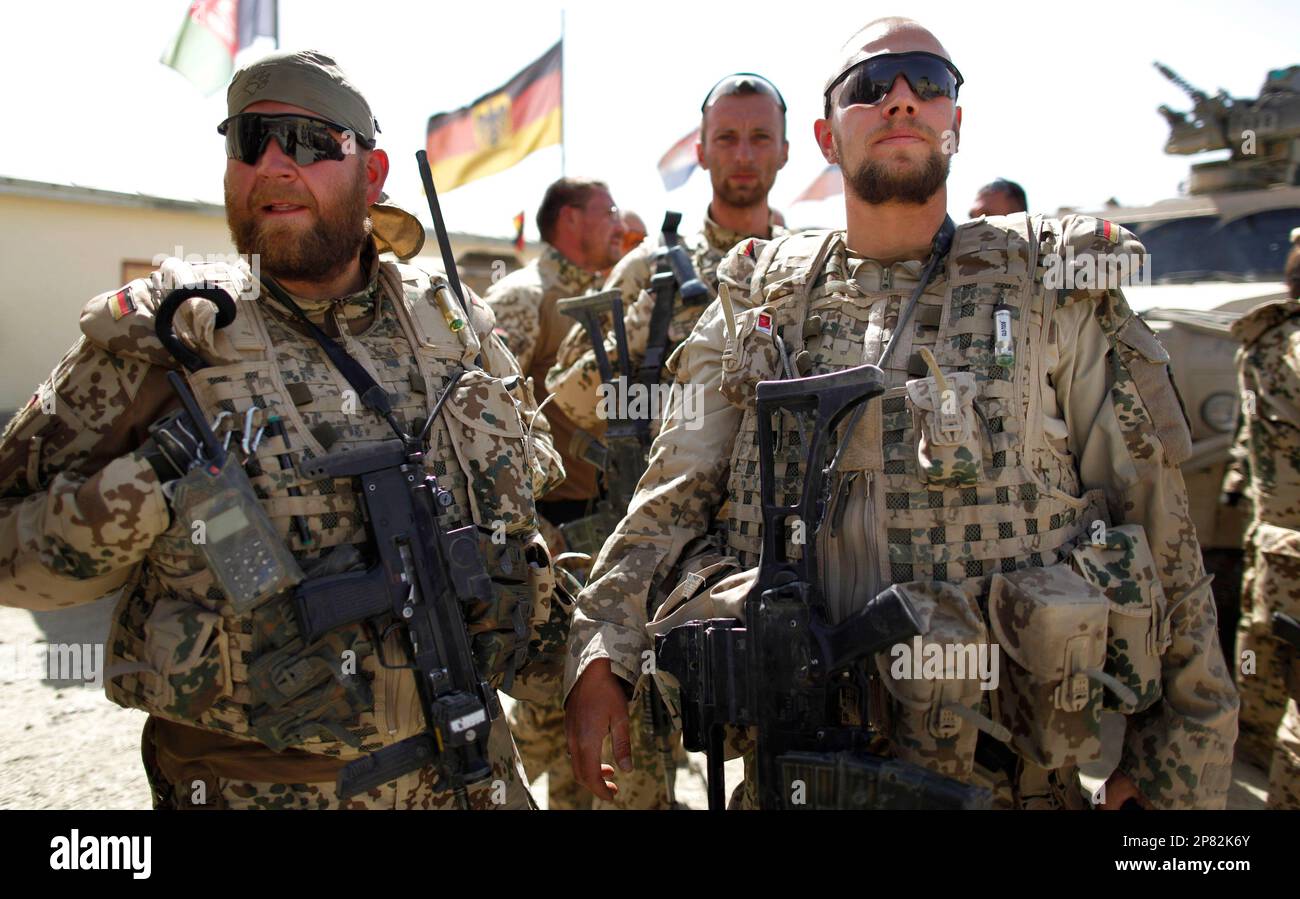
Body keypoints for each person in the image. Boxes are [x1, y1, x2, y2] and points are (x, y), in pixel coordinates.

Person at [564, 17, 1238, 810]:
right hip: (793, 775)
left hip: (1002, 783)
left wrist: (1175, 762)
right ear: (826, 136)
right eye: (870, 86)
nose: (902, 100)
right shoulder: (754, 296)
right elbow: (670, 492)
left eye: (930, 82)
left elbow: (1160, 527)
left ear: (957, 122)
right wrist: (602, 646)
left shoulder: (1050, 285)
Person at [0, 50, 565, 810]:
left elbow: (527, 507)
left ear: (372, 173)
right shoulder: (162, 339)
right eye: (249, 140)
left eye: (307, 141)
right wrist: (147, 491)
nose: (272, 164)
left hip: (470, 773)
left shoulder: (454, 326)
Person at [545, 71, 789, 810]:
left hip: (764, 560)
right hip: (651, 557)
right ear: (702, 150)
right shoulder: (648, 270)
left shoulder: (810, 268)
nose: (742, 154)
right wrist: (639, 349)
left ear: (785, 150)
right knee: (633, 784)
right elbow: (566, 400)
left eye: (759, 138)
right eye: (726, 138)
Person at [484, 177, 625, 809]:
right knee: (546, 713)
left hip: (601, 528)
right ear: (570, 219)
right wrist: (531, 530)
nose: (618, 222)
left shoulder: (605, 294)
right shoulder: (524, 297)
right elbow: (483, 420)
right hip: (552, 538)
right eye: (607, 210)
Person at [1221, 228, 1300, 808]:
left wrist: (1237, 481)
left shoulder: (1264, 338)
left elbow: (1250, 431)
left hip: (1273, 532)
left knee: (1263, 648)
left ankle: (1254, 753)